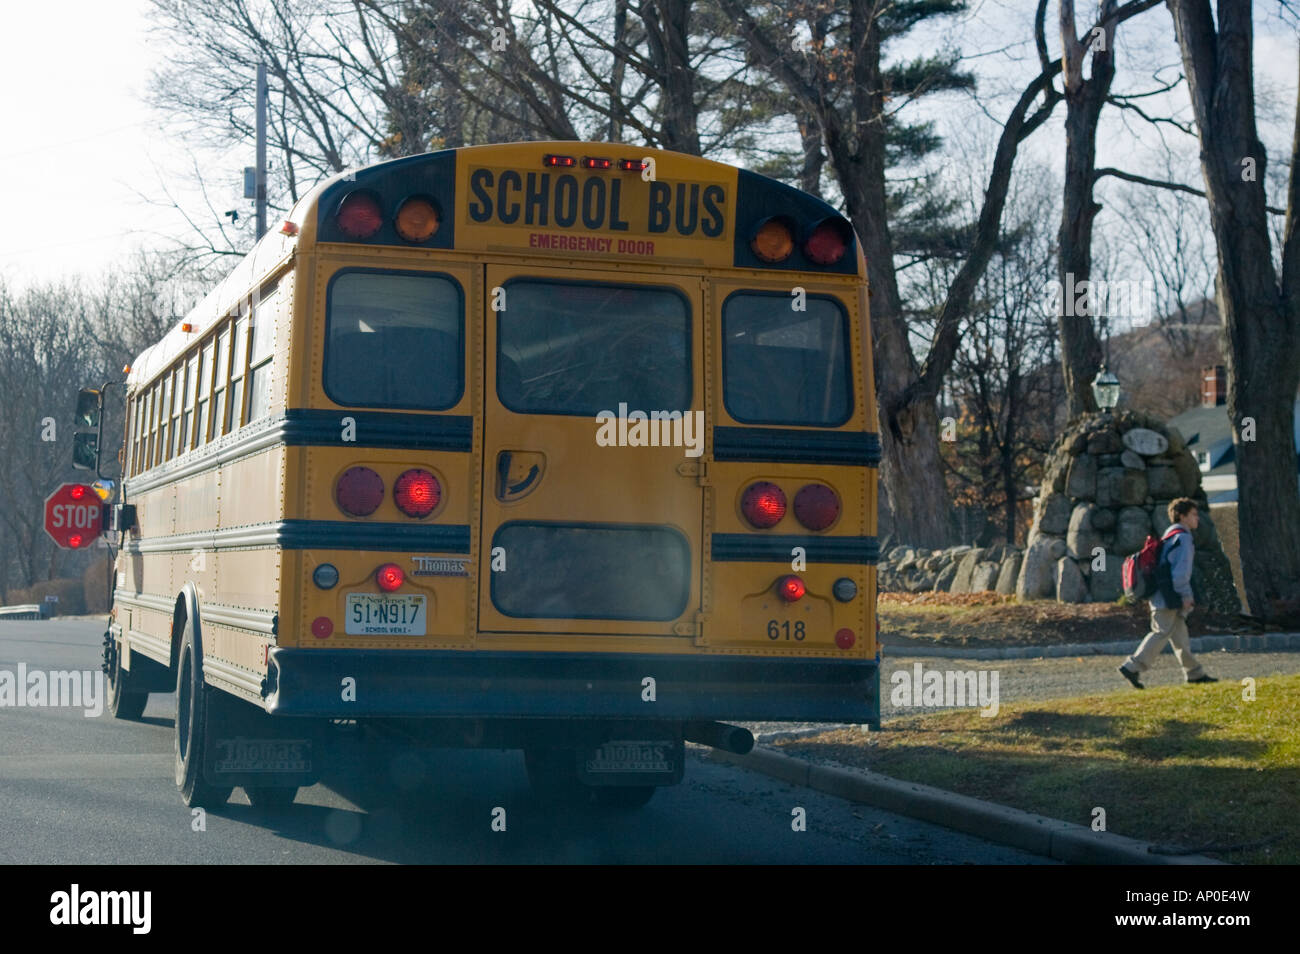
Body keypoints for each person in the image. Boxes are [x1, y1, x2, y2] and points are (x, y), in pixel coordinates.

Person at [1119, 497, 1218, 688]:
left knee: (1180, 636)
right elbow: (1181, 573)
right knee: (1161, 632)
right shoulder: (1184, 539)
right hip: (1169, 598)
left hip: (1162, 596)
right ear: (1182, 516)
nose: (1198, 518)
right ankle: (1131, 666)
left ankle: (1194, 674)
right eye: (1194, 515)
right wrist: (1185, 597)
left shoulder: (1169, 536)